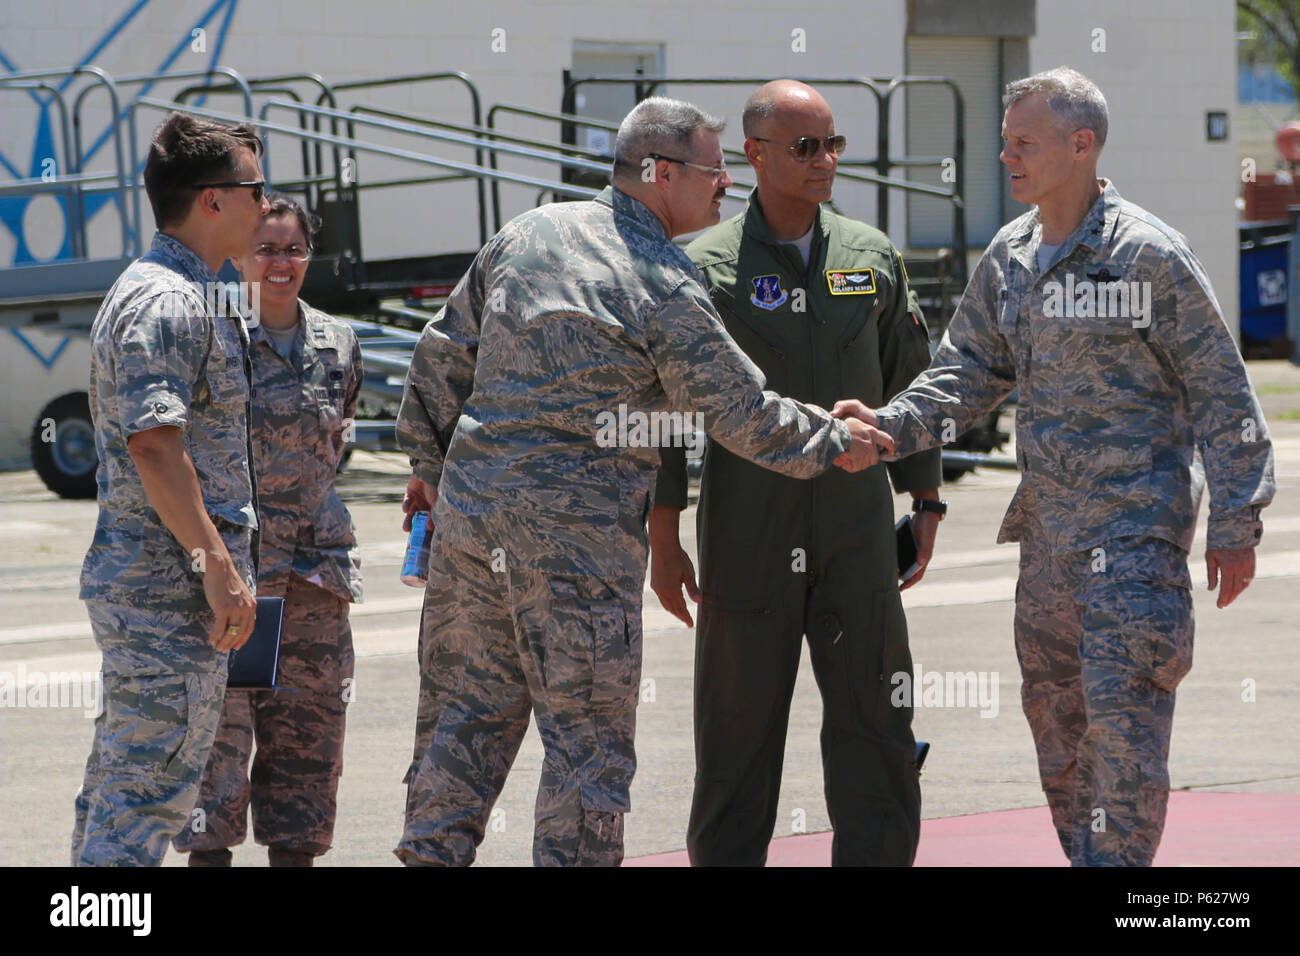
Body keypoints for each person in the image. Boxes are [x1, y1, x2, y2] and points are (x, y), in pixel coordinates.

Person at [393, 96, 895, 867]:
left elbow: (440, 355)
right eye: (712, 170)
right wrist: (842, 441)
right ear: (659, 173)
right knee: (585, 750)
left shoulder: (529, 232)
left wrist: (431, 474)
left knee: (462, 725)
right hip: (575, 550)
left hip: (471, 529)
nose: (726, 184)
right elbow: (744, 415)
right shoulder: (662, 279)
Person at [836, 67, 1276, 866]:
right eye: (1004, 142)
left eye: (1023, 144)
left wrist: (1236, 519)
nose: (1006, 157)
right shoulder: (1009, 255)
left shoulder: (1147, 254)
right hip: (1048, 548)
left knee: (1123, 733)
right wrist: (892, 427)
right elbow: (966, 369)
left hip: (1135, 545)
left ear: (1081, 146)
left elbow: (1221, 386)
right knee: (1059, 732)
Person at [649, 79, 942, 867]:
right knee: (736, 740)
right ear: (754, 156)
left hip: (855, 532)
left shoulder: (870, 256)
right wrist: (664, 533)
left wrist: (927, 497)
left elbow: (910, 379)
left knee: (877, 730)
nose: (825, 162)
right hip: (747, 533)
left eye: (833, 145)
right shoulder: (700, 266)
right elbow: (670, 409)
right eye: (805, 147)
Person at [72, 112, 269, 866]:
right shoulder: (169, 300)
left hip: (155, 585)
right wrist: (217, 569)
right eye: (255, 187)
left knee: (120, 788)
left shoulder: (185, 291)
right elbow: (155, 446)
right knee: (145, 797)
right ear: (213, 199)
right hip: (167, 590)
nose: (264, 203)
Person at [173, 195, 364, 867]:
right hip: (232, 575)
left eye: (293, 249)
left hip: (315, 577)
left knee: (307, 755)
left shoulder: (338, 340)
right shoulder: (210, 335)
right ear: (240, 256)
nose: (279, 263)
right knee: (215, 757)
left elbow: (339, 431)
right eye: (266, 249)